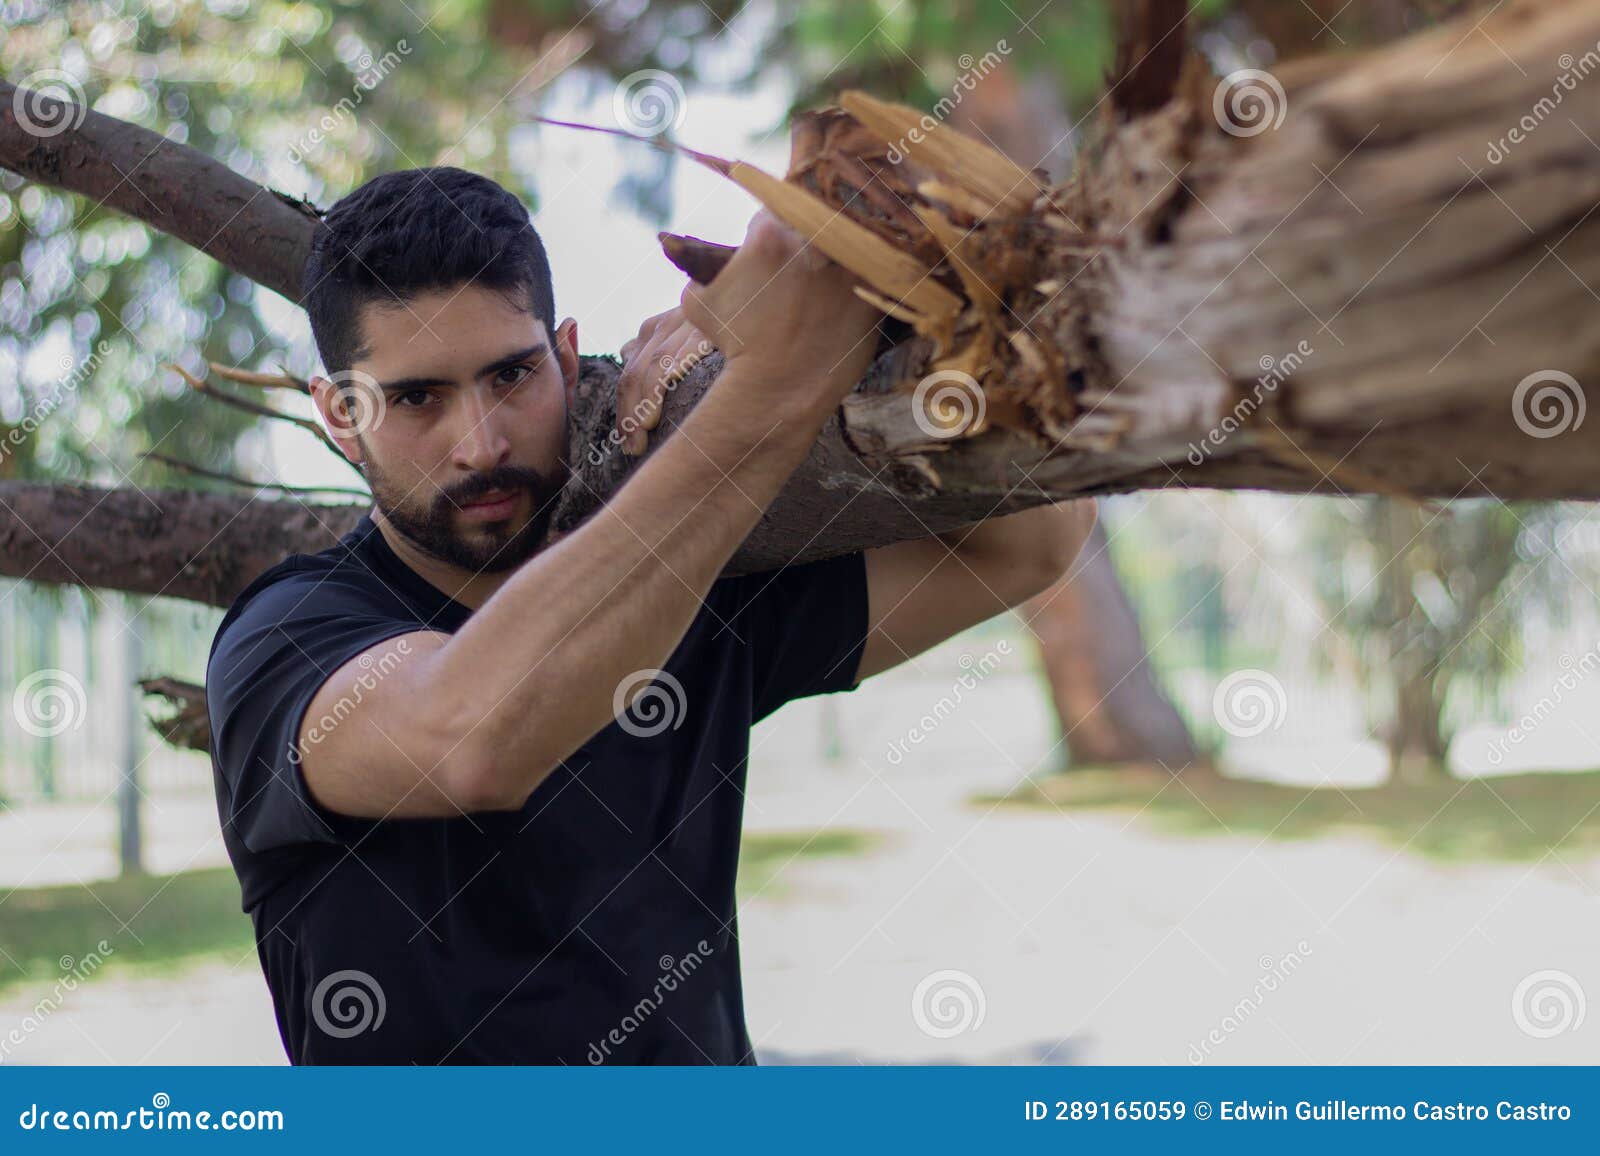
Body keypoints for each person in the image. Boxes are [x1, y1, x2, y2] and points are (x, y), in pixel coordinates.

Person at [205, 165, 1096, 1064]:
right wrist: (770, 383)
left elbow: (1037, 540)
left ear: (564, 358)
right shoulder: (285, 640)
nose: (480, 443)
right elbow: (474, 739)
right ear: (339, 415)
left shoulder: (690, 580)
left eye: (511, 375)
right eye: (416, 398)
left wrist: (878, 325)